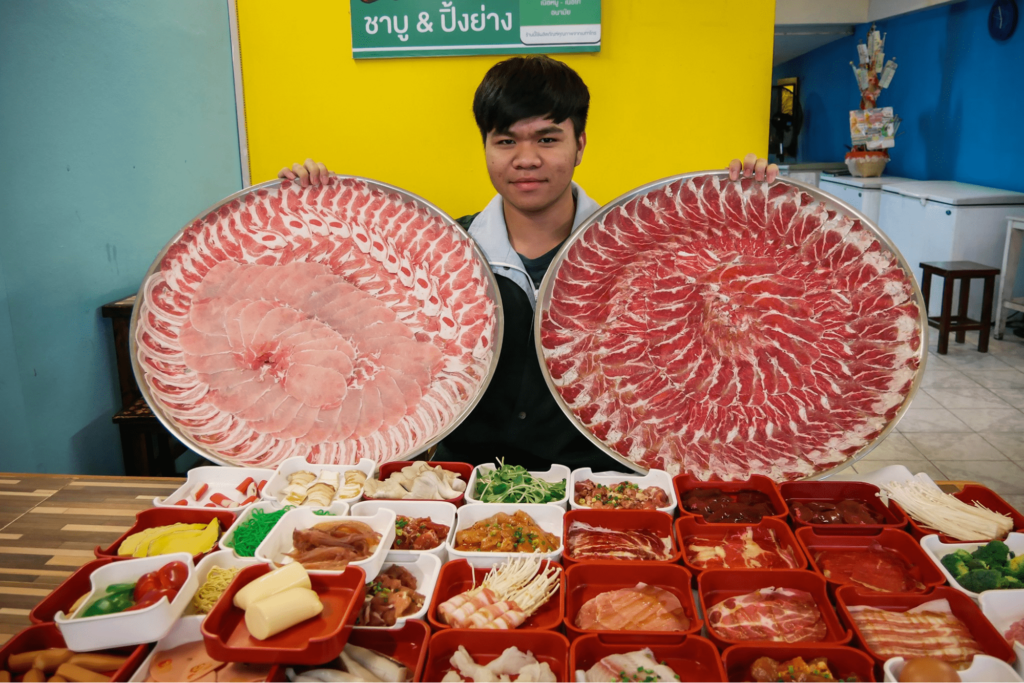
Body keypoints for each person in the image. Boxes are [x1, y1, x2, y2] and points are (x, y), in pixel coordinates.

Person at [279, 55, 778, 472]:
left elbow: (731, 298)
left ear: (580, 145)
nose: (525, 159)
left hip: (599, 481)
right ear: (486, 148)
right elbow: (341, 312)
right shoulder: (442, 252)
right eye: (505, 141)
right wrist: (315, 210)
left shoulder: (637, 253)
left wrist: (754, 208)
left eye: (546, 139)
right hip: (466, 484)